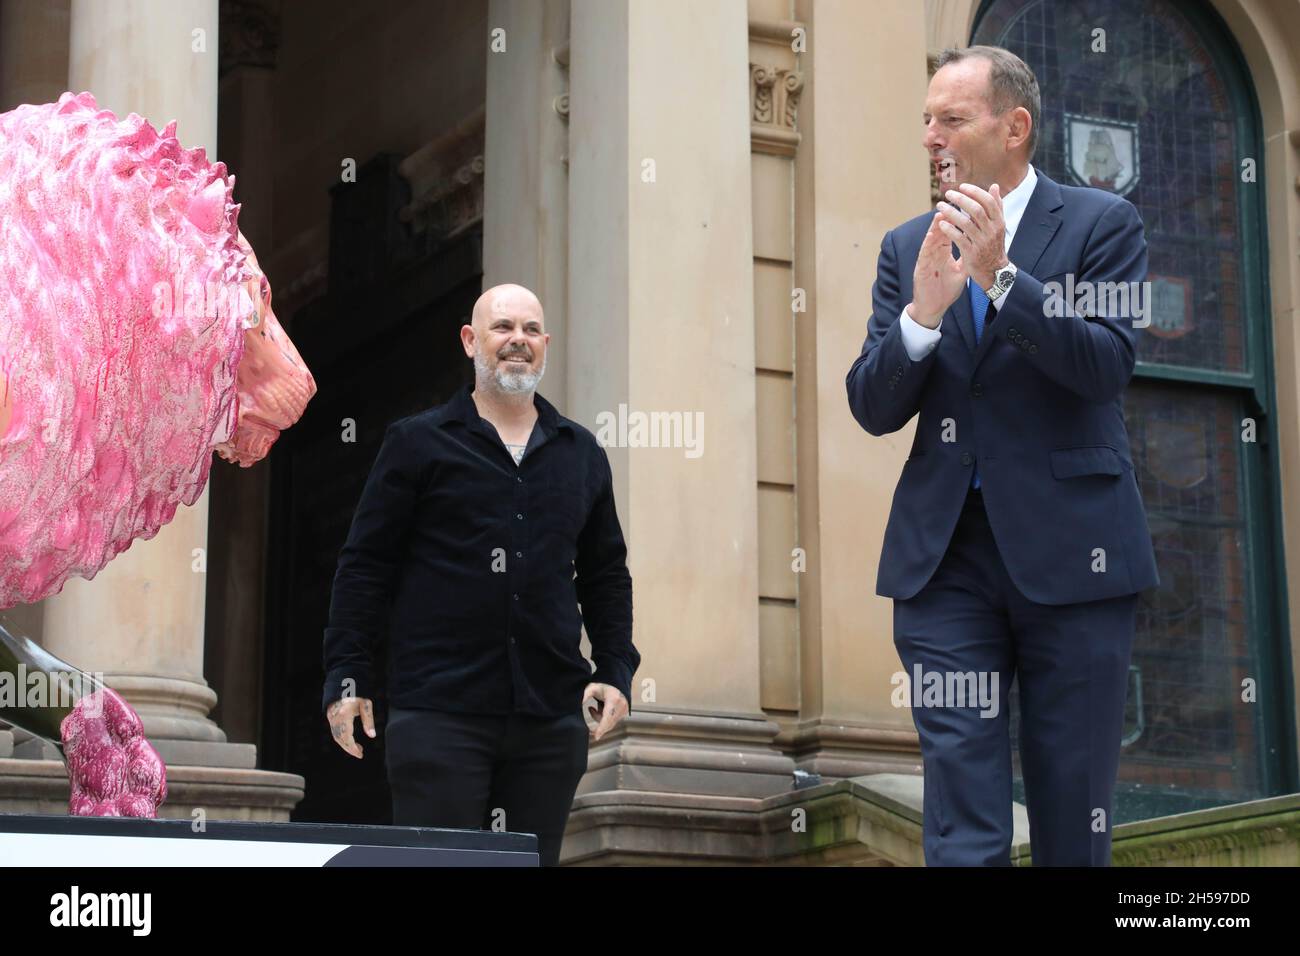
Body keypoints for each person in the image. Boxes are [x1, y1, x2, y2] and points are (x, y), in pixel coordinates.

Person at [845, 46, 1158, 866]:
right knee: (962, 812)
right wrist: (920, 315)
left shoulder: (1102, 224)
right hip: (945, 560)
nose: (929, 137)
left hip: (1077, 554)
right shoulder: (906, 244)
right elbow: (873, 406)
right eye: (925, 120)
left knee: (1070, 811)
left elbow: (1104, 364)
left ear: (1014, 127)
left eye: (950, 119)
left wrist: (1004, 279)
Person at [322, 282, 639, 867]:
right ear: (471, 341)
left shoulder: (582, 455)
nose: (517, 340)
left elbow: (605, 575)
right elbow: (365, 565)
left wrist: (616, 669)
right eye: (502, 328)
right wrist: (347, 674)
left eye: (529, 330)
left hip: (548, 721)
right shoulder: (416, 443)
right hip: (439, 715)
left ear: (545, 344)